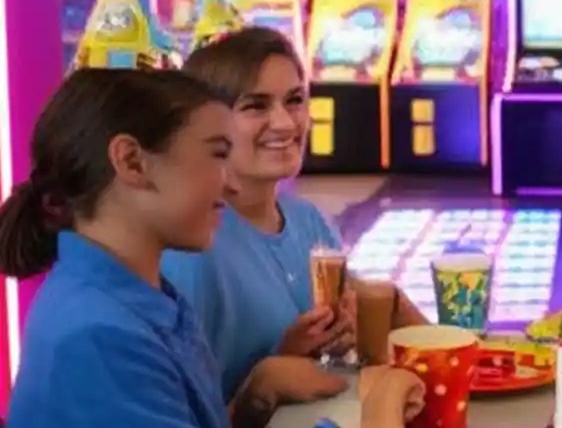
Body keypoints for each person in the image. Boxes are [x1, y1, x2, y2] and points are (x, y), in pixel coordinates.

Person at [0, 69, 344, 427]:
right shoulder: (98, 336)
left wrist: (255, 396)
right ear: (132, 161)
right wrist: (382, 404)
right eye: (217, 154)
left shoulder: (142, 295)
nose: (231, 185)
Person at [163, 27, 427, 399]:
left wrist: (345, 336)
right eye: (255, 106)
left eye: (294, 100)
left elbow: (346, 359)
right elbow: (182, 406)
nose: (286, 123)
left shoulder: (308, 220)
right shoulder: (190, 247)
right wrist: (279, 361)